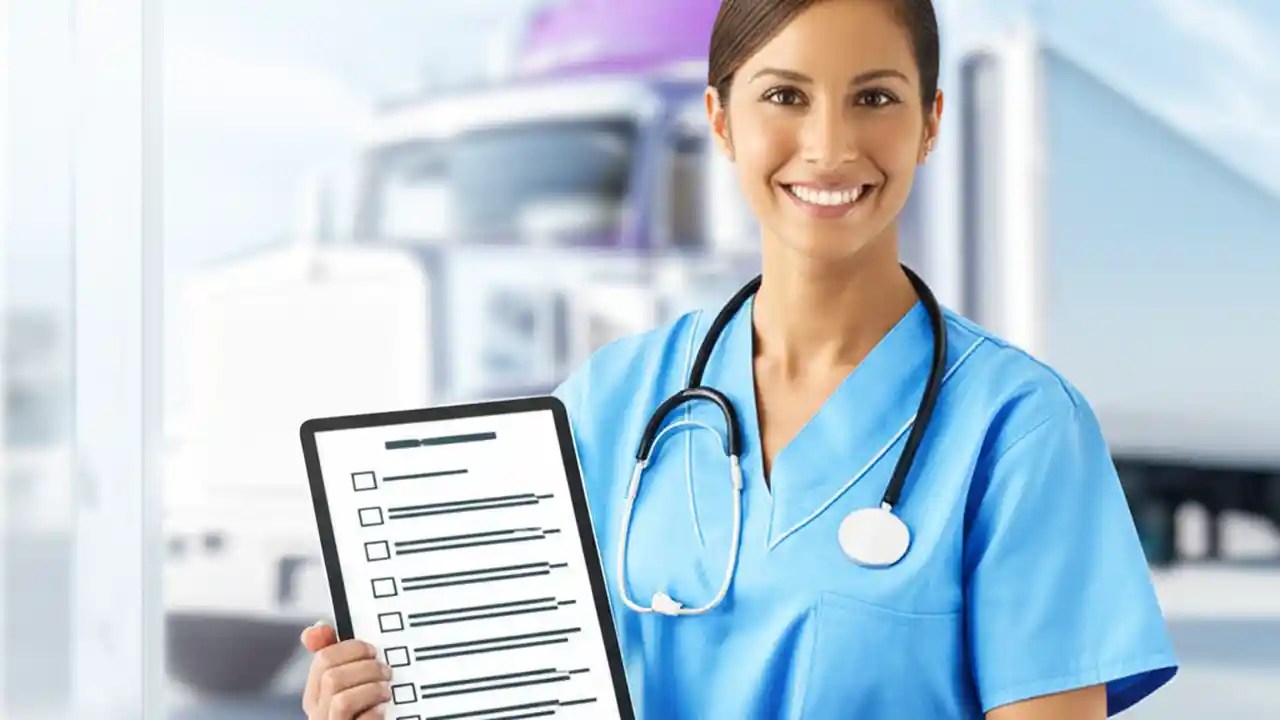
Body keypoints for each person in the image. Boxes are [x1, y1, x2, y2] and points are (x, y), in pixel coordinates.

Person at [299, 0, 1178, 717]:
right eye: (784, 96)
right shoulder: (611, 401)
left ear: (929, 122)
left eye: (873, 97)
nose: (830, 146)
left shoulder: (1018, 425)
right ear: (720, 121)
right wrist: (384, 698)